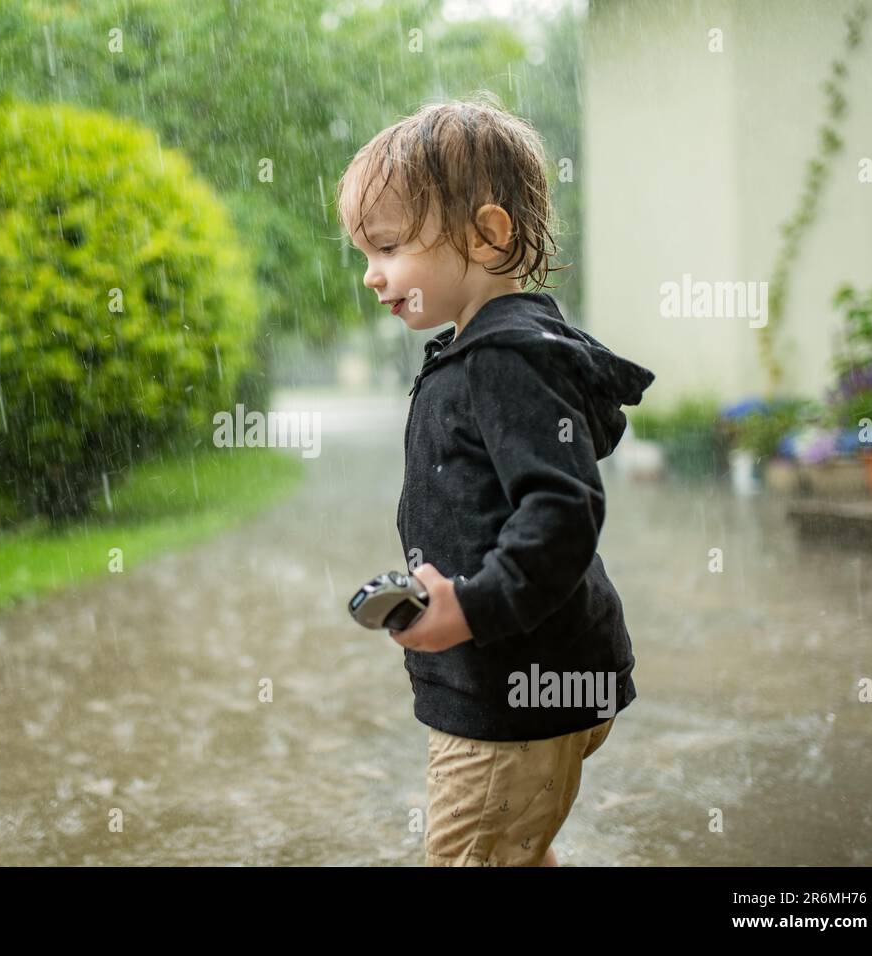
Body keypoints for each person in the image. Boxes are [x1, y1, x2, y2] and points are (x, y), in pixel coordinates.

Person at [335, 93, 656, 866]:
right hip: (533, 676)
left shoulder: (508, 361)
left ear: (486, 234)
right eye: (364, 255)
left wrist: (472, 606)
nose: (372, 276)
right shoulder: (491, 349)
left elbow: (563, 511)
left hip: (517, 692)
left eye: (388, 247)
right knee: (515, 849)